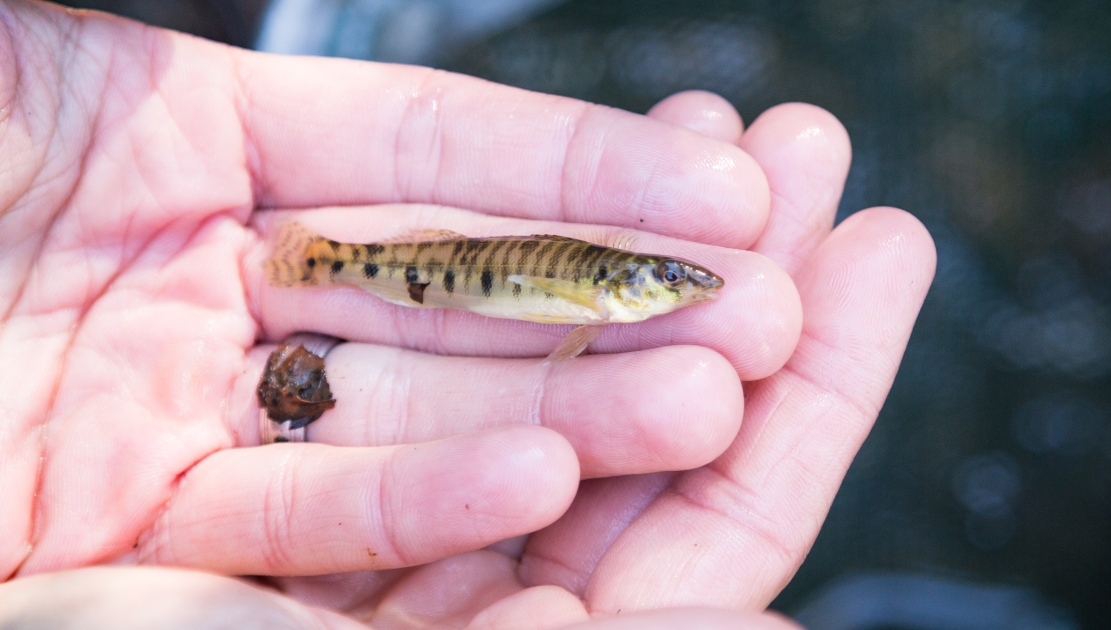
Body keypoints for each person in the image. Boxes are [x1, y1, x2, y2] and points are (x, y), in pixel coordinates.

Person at [0, 1, 936, 627]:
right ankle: (330, 268)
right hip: (422, 269)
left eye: (674, 283)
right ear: (628, 285)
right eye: (667, 281)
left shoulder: (606, 297)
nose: (681, 290)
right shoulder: (597, 295)